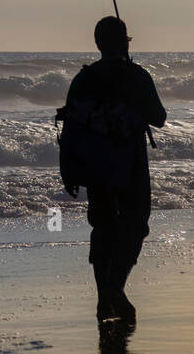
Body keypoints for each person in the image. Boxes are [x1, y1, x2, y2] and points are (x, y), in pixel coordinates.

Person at [61, 16, 166, 324]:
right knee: (134, 226)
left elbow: (70, 126)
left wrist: (68, 170)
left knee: (103, 229)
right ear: (125, 43)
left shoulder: (84, 79)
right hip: (130, 164)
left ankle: (103, 300)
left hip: (95, 167)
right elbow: (158, 117)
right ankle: (114, 289)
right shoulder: (136, 76)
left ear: (97, 43)